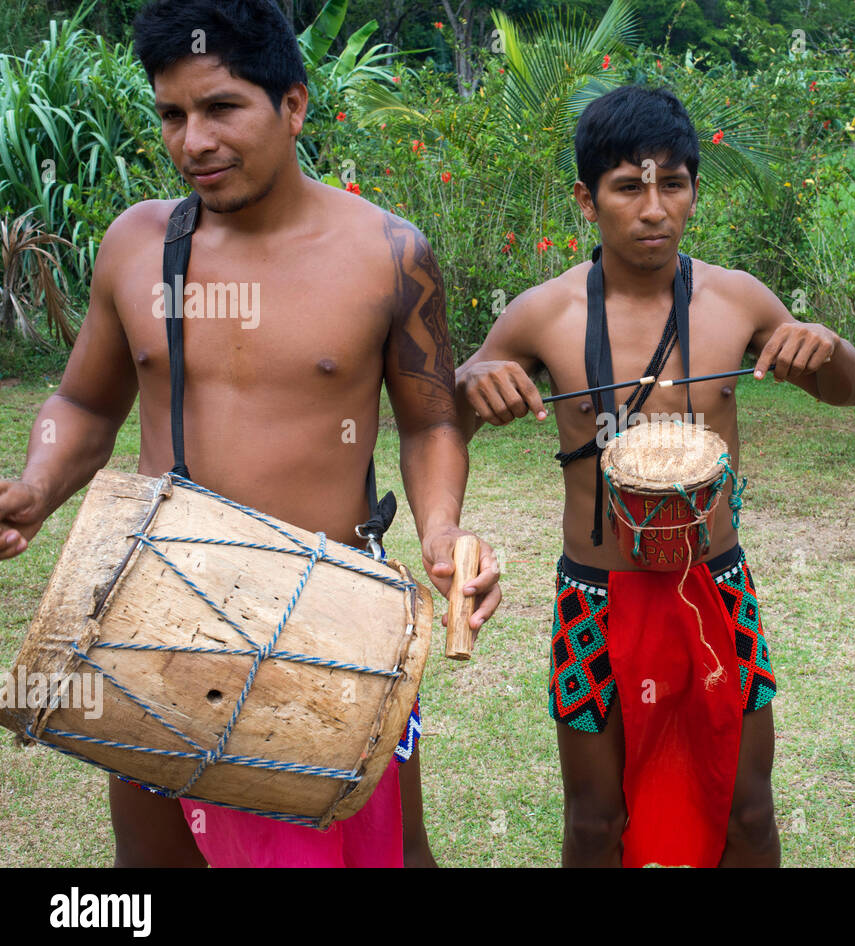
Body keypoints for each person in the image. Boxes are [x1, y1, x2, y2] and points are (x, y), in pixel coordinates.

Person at [0, 0, 500, 867]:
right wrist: (37, 485)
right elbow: (85, 406)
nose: (194, 140)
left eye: (222, 107)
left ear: (294, 105)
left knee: (387, 854)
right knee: (151, 871)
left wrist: (444, 529)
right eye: (172, 115)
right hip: (155, 619)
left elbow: (429, 421)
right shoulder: (135, 247)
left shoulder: (388, 252)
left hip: (333, 629)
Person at [456, 85, 855, 867]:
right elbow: (458, 405)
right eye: (627, 186)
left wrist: (828, 347)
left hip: (718, 588)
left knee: (747, 812)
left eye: (672, 183)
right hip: (595, 598)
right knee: (594, 823)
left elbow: (848, 390)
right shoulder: (543, 314)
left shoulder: (738, 298)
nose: (653, 208)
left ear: (694, 190)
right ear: (587, 198)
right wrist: (477, 382)